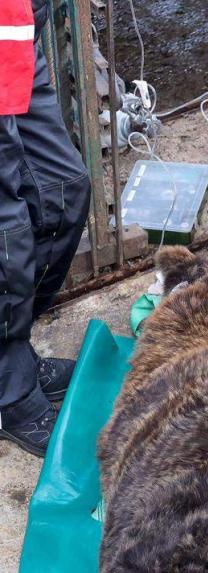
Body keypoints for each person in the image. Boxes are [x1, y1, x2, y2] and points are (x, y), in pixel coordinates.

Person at [0, 0, 91, 457]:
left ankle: (13, 350)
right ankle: (8, 393)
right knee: (5, 233)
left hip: (13, 34)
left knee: (65, 190)